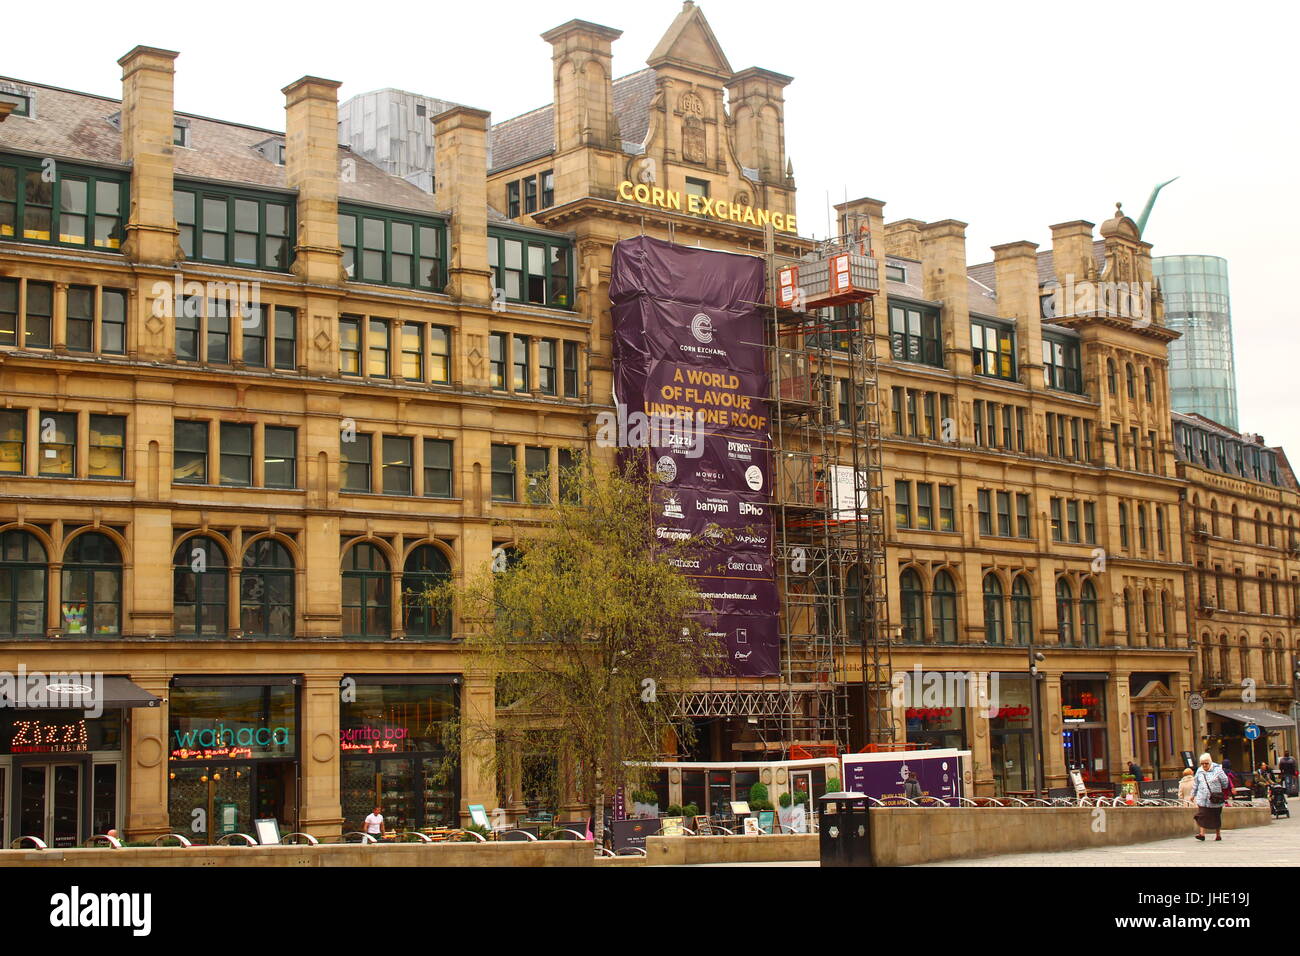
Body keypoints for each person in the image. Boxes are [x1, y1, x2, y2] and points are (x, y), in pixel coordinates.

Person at [1191, 753, 1230, 842]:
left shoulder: (1218, 770)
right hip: (1202, 797)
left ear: (1210, 762)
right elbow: (1196, 783)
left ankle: (1218, 834)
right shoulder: (1199, 771)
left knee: (1216, 815)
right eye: (1202, 763)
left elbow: (1225, 782)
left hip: (1215, 798)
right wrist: (1193, 794)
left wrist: (1220, 788)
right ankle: (1202, 834)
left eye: (1206, 763)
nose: (1204, 765)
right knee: (1202, 815)